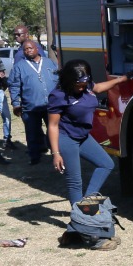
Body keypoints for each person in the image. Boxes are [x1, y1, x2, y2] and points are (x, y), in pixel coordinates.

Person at [47, 59, 126, 209]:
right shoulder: (58, 96)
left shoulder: (86, 84)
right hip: (66, 138)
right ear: (70, 81)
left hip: (83, 136)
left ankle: (86, 202)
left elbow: (99, 87)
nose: (83, 88)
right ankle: (78, 217)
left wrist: (121, 79)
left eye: (85, 84)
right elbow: (53, 125)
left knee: (106, 164)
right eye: (79, 85)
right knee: (75, 180)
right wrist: (56, 153)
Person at [7, 37, 60, 165]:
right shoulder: (19, 67)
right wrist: (16, 104)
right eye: (25, 49)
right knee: (32, 133)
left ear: (37, 49)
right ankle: (34, 157)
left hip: (51, 106)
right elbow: (14, 86)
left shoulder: (50, 63)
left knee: (54, 130)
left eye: (30, 48)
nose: (28, 51)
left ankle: (56, 153)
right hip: (31, 106)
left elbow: (59, 81)